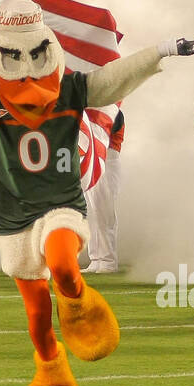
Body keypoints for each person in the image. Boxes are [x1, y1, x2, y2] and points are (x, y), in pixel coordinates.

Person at [0, 0, 194, 386]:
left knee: (65, 266)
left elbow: (112, 78)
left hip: (60, 203)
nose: (27, 66)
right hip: (11, 215)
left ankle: (80, 304)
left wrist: (163, 49)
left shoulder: (68, 89)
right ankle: (52, 371)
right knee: (36, 314)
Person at [82, 109, 123, 274]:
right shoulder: (91, 112)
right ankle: (96, 259)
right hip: (93, 158)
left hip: (106, 159)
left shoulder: (111, 112)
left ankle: (108, 261)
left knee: (104, 214)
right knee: (92, 214)